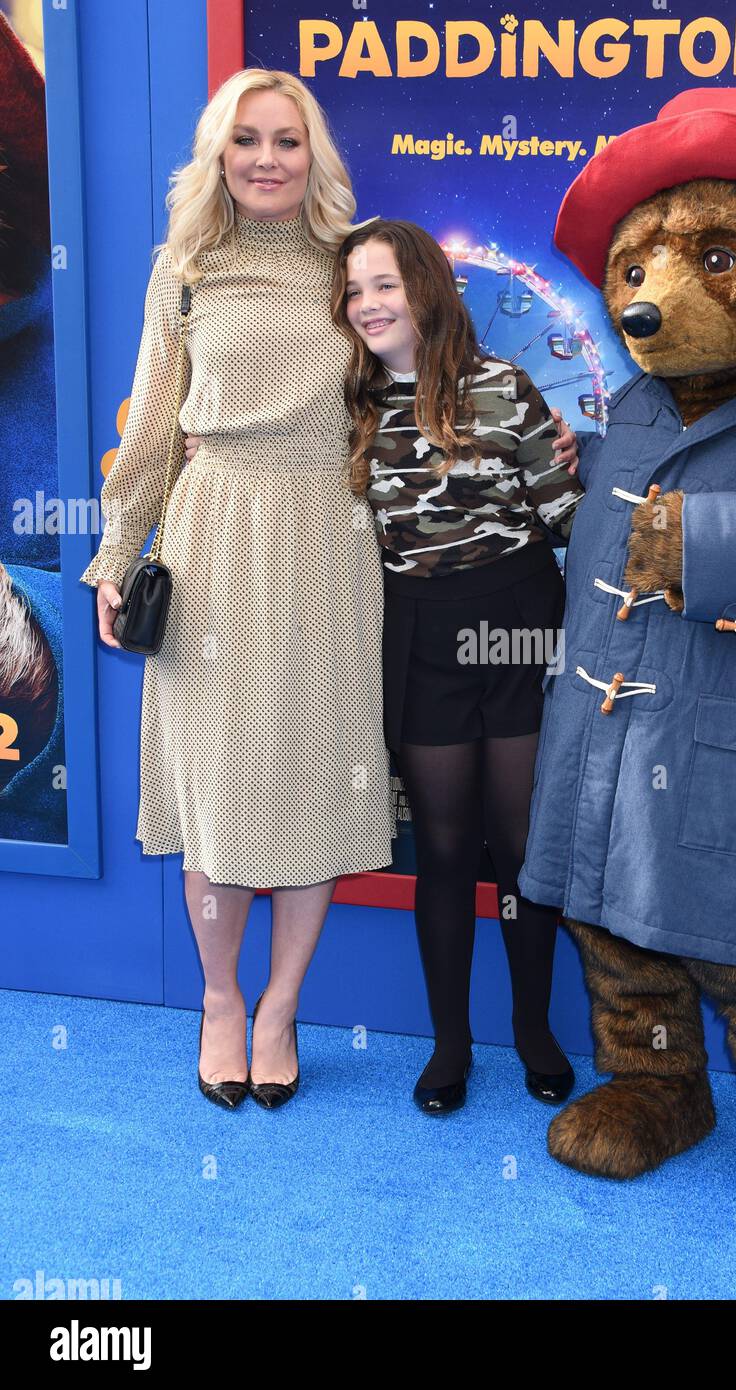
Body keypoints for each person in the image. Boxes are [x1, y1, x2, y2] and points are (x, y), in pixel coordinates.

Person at [80, 69, 404, 1111]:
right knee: (216, 787)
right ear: (217, 154)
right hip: (214, 531)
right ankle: (223, 1000)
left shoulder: (355, 268)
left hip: (328, 534)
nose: (267, 158)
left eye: (288, 139)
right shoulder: (182, 271)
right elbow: (150, 429)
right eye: (246, 139)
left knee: (315, 769)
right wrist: (116, 554)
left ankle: (281, 1007)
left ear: (315, 156)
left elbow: (412, 391)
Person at [339, 220, 585, 1113]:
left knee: (520, 850)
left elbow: (567, 520)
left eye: (384, 285)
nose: (367, 304)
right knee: (442, 851)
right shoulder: (348, 406)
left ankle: (532, 1028)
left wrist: (586, 456)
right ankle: (450, 1042)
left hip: (520, 628)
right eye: (354, 290)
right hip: (418, 638)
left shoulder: (504, 387)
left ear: (428, 288)